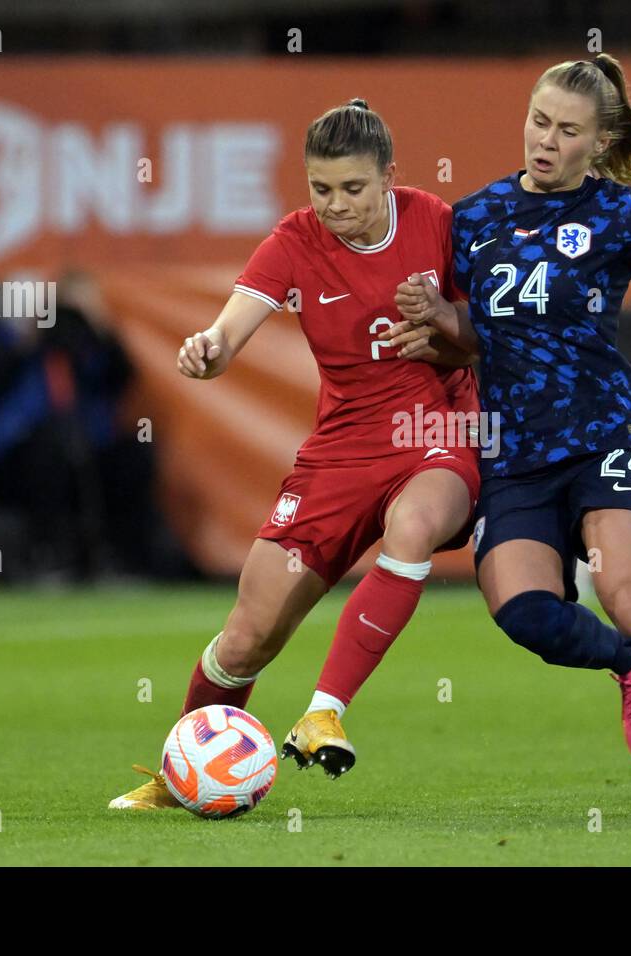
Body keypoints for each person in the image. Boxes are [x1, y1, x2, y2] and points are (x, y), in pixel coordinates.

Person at [388, 54, 631, 816]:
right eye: (539, 120)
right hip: (517, 457)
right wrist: (441, 319)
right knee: (525, 616)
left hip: (606, 440)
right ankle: (630, 666)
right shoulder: (473, 218)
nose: (546, 140)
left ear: (599, 144)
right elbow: (481, 334)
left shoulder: (619, 212)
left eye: (567, 131)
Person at [110, 99, 481, 809]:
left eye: (352, 189)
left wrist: (440, 333)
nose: (335, 206)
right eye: (320, 189)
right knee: (247, 637)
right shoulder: (294, 241)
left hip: (435, 430)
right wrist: (208, 351)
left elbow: (489, 332)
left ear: (388, 178)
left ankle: (324, 711)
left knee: (413, 528)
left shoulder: (437, 222)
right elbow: (229, 330)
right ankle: (182, 770)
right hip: (341, 451)